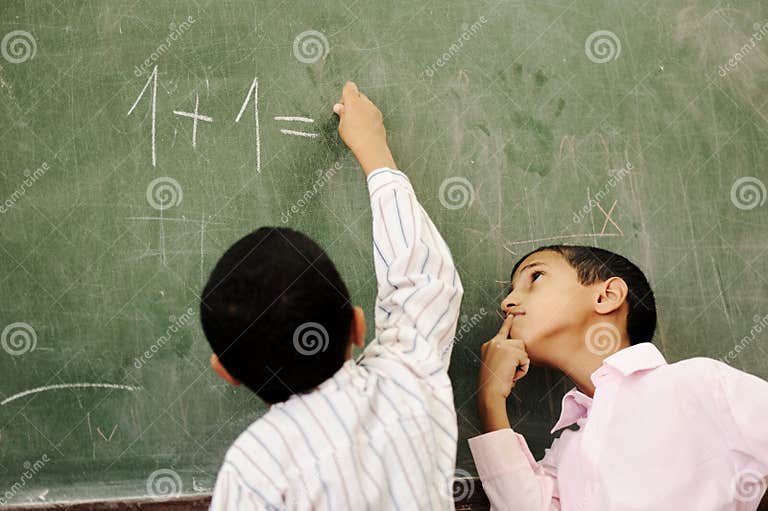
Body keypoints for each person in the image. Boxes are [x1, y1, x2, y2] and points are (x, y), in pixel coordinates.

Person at [202, 81, 464, 510]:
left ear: (225, 371)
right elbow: (426, 278)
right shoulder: (409, 380)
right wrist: (375, 153)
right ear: (358, 326)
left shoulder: (255, 470)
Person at [470, 245, 768, 510]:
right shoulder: (565, 454)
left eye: (534, 278)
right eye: (510, 290)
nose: (507, 302)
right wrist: (489, 399)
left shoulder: (699, 384)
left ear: (606, 295)